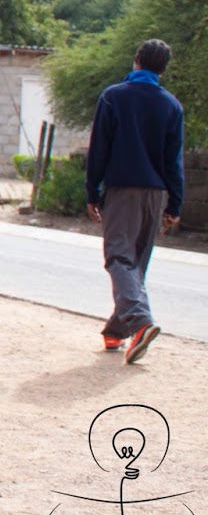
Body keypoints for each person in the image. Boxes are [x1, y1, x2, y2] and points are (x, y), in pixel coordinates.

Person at [85, 38, 184, 365]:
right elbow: (174, 162)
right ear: (163, 69)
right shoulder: (171, 105)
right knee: (135, 263)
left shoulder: (114, 97)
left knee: (118, 256)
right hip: (155, 195)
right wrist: (175, 205)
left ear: (137, 59)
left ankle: (140, 324)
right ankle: (117, 331)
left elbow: (99, 148)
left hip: (123, 190)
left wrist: (92, 192)